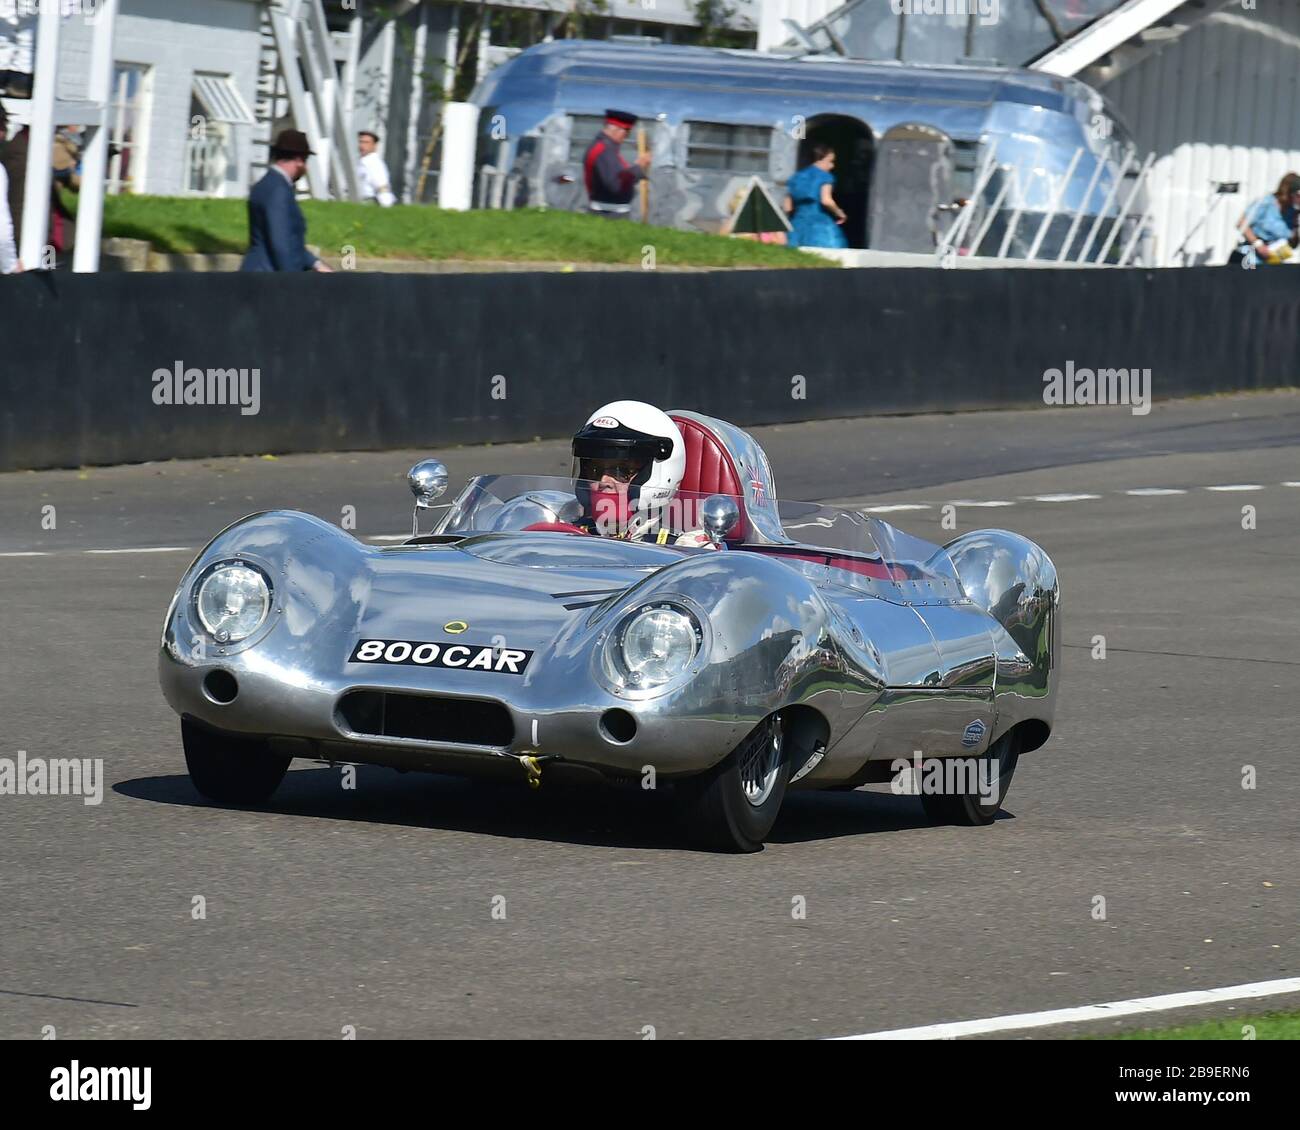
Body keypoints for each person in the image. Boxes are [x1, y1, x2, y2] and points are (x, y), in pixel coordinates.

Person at [570, 401, 714, 547]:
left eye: (622, 471)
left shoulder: (680, 549)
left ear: (663, 473)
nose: (604, 481)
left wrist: (687, 556)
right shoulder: (569, 532)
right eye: (594, 470)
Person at [242, 129, 332, 272]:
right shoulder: (279, 190)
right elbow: (281, 244)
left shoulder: (264, 184)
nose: (306, 167)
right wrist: (292, 281)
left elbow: (292, 242)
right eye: (305, 161)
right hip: (268, 279)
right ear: (298, 160)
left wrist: (317, 264)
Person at [581, 109, 650, 219]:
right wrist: (639, 167)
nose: (626, 136)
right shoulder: (604, 150)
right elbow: (616, 185)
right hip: (608, 213)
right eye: (627, 131)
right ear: (617, 129)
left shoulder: (605, 148)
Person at [783, 144, 848, 249]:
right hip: (819, 223)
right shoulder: (825, 176)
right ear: (820, 159)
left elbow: (787, 207)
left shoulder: (795, 177)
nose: (832, 166)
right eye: (830, 161)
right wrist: (840, 213)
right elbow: (826, 200)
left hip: (797, 223)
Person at [1229, 173, 1300, 267]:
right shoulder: (1266, 202)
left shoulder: (1293, 212)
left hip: (1273, 262)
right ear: (1289, 193)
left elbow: (1293, 245)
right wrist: (1258, 245)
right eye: (1298, 195)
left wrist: (1295, 223)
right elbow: (1242, 224)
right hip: (1250, 259)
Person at [356, 130, 395, 207]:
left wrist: (386, 206)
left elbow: (382, 187)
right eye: (361, 142)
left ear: (374, 145)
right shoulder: (361, 161)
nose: (362, 145)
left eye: (366, 142)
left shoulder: (375, 163)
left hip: (367, 202)